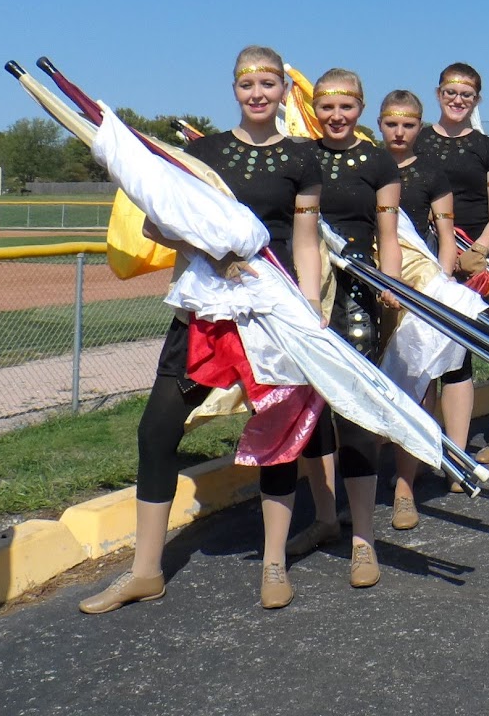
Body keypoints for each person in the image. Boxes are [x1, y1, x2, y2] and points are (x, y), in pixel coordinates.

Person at [80, 45, 326, 614]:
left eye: (268, 84)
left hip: (273, 312)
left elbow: (306, 239)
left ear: (285, 90)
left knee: (277, 434)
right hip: (204, 313)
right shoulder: (202, 154)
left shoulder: (303, 157)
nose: (258, 93)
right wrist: (215, 252)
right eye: (247, 84)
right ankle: (145, 571)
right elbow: (157, 225)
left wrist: (312, 307)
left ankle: (273, 562)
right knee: (157, 430)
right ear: (234, 89)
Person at [279, 67, 400, 588]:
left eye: (346, 106)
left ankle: (363, 539)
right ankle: (326, 517)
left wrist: (392, 284)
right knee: (309, 411)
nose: (336, 116)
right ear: (315, 108)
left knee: (355, 415)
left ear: (360, 107)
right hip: (303, 292)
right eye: (327, 107)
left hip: (356, 295)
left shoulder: (378, 161)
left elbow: (388, 233)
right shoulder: (299, 156)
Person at [410, 64, 489, 471]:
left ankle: (456, 457)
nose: (457, 100)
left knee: (463, 357)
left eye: (466, 95)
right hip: (423, 259)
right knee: (422, 355)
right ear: (438, 93)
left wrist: (479, 252)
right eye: (451, 92)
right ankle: (421, 450)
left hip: (476, 262)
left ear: (477, 100)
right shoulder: (416, 138)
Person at [374, 89, 455, 531]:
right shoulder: (366, 165)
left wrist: (441, 285)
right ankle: (364, 483)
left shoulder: (430, 173)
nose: (399, 132)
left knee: (417, 380)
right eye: (392, 124)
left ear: (419, 126)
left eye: (408, 125)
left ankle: (405, 486)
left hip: (418, 288)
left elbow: (446, 237)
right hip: (370, 285)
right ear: (379, 124)